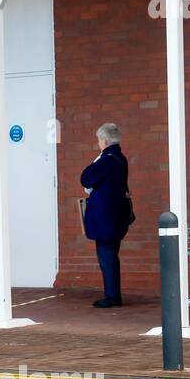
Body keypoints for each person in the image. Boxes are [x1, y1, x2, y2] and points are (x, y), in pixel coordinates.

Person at [81, 123, 131, 308]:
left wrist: (97, 158)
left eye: (99, 140)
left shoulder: (107, 159)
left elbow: (85, 178)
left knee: (106, 256)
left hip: (105, 217)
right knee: (111, 255)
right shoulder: (120, 158)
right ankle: (113, 293)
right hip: (116, 215)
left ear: (104, 140)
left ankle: (112, 296)